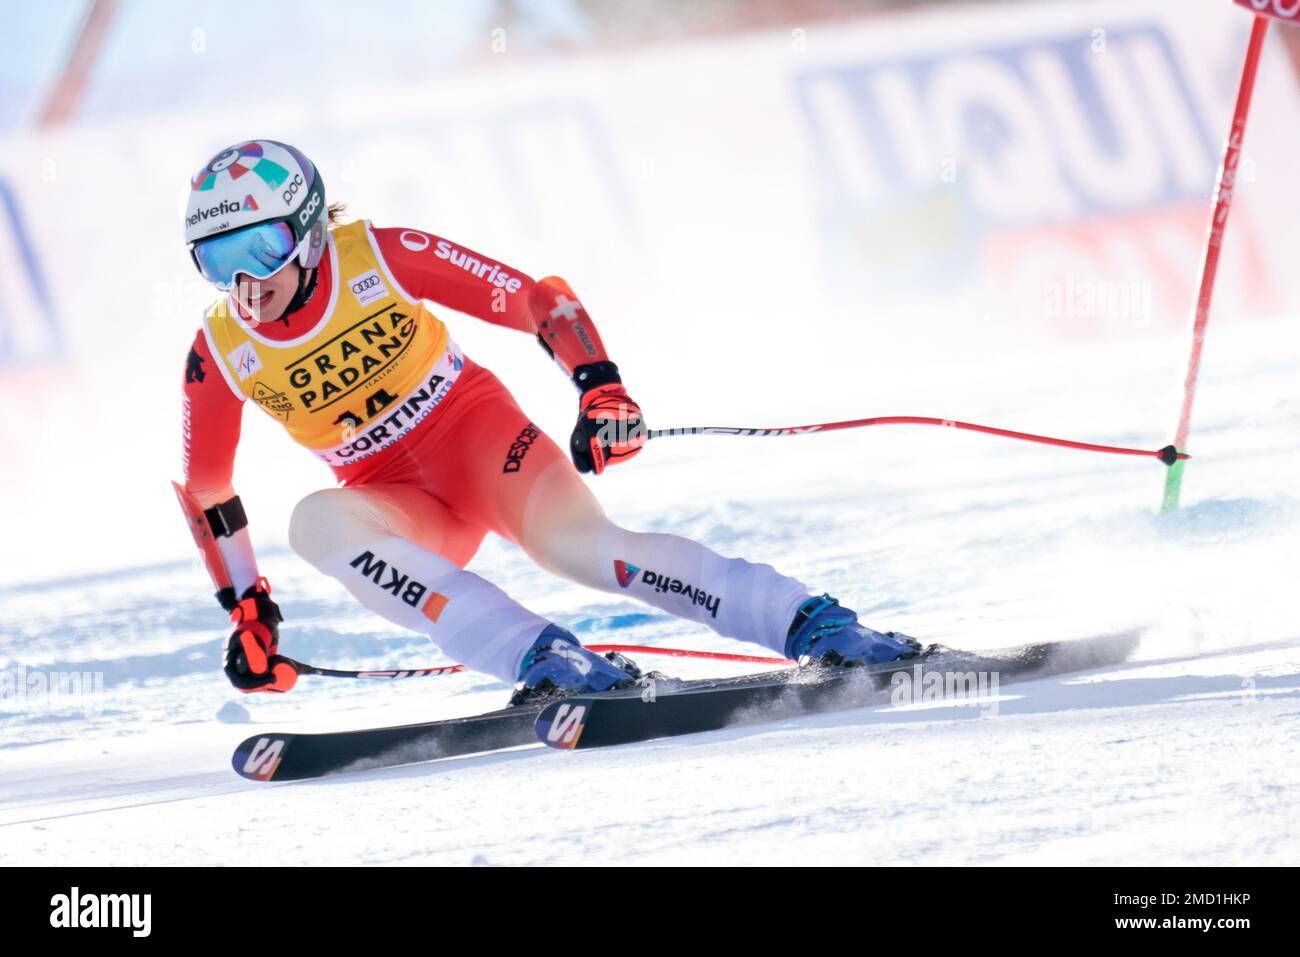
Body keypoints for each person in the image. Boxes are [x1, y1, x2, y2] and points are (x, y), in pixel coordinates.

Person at [176, 139, 919, 703]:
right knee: (315, 523)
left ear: (307, 231)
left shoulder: (379, 254)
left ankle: (814, 624)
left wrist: (600, 389)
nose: (247, 283)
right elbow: (206, 488)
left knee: (588, 552)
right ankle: (542, 656)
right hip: (398, 499)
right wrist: (247, 609)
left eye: (260, 249)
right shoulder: (221, 349)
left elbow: (537, 298)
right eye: (216, 261)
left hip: (479, 442)